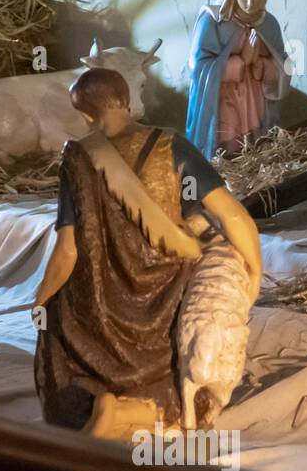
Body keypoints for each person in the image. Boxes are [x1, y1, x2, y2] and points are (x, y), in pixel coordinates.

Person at [33, 68, 261, 439]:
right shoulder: (172, 147)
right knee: (192, 391)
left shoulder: (77, 159)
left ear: (86, 115)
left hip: (98, 312)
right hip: (164, 308)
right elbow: (234, 216)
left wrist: (41, 298)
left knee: (56, 311)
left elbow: (67, 252)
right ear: (125, 102)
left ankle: (97, 402)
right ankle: (130, 412)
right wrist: (253, 274)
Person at [183, 0, 291, 158]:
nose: (250, 3)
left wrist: (260, 65)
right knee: (227, 149)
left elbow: (284, 66)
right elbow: (199, 67)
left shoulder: (269, 24)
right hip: (222, 101)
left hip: (256, 103)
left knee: (255, 148)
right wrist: (240, 62)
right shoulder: (213, 20)